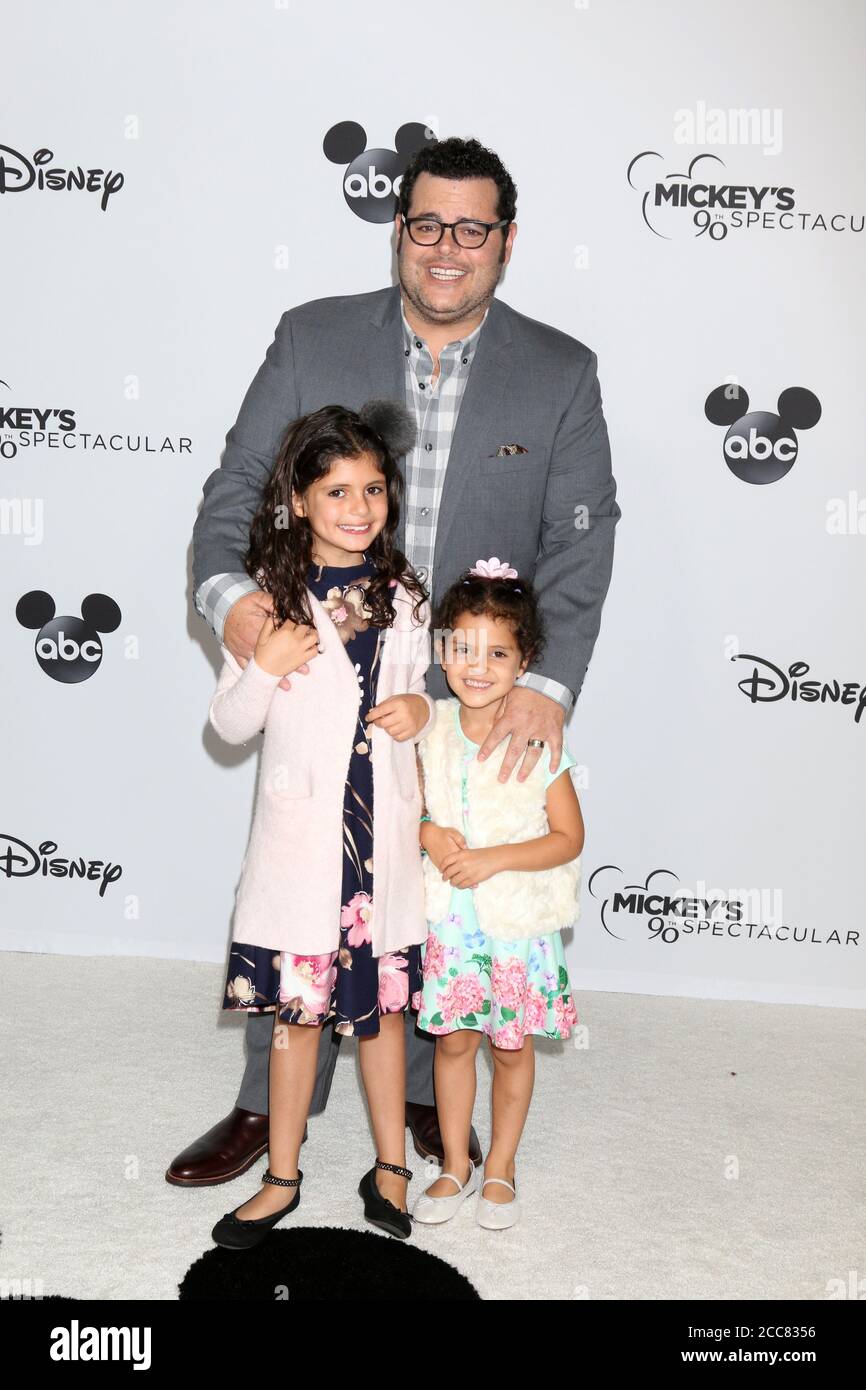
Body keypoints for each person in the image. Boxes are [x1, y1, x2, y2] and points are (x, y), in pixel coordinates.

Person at [174, 133, 619, 1188]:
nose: (447, 248)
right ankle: (264, 1104)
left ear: (504, 242)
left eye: (471, 227)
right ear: (398, 231)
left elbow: (583, 539)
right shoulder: (308, 337)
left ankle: (427, 1087)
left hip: (464, 696)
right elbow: (232, 492)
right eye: (427, 224)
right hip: (320, 672)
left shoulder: (560, 372)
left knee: (434, 893)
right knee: (298, 878)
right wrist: (237, 610)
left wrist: (542, 690)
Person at [208, 399, 433, 1246]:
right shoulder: (269, 603)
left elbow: (420, 701)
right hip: (305, 852)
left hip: (380, 845)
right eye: (337, 491)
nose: (359, 509)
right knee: (295, 1024)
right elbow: (230, 727)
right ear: (299, 500)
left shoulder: (402, 597)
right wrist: (263, 667)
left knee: (382, 1018)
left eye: (374, 490)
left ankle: (391, 1169)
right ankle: (282, 1175)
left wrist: (421, 707)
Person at [411, 558, 584, 1230]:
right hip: (451, 926)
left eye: (497, 652)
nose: (477, 666)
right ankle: (455, 1163)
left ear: (525, 660)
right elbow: (407, 811)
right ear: (440, 650)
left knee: (511, 1048)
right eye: (462, 648)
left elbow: (568, 837)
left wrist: (494, 860)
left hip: (515, 926)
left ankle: (503, 1166)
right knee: (453, 1044)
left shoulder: (539, 739)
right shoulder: (428, 729)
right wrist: (427, 833)